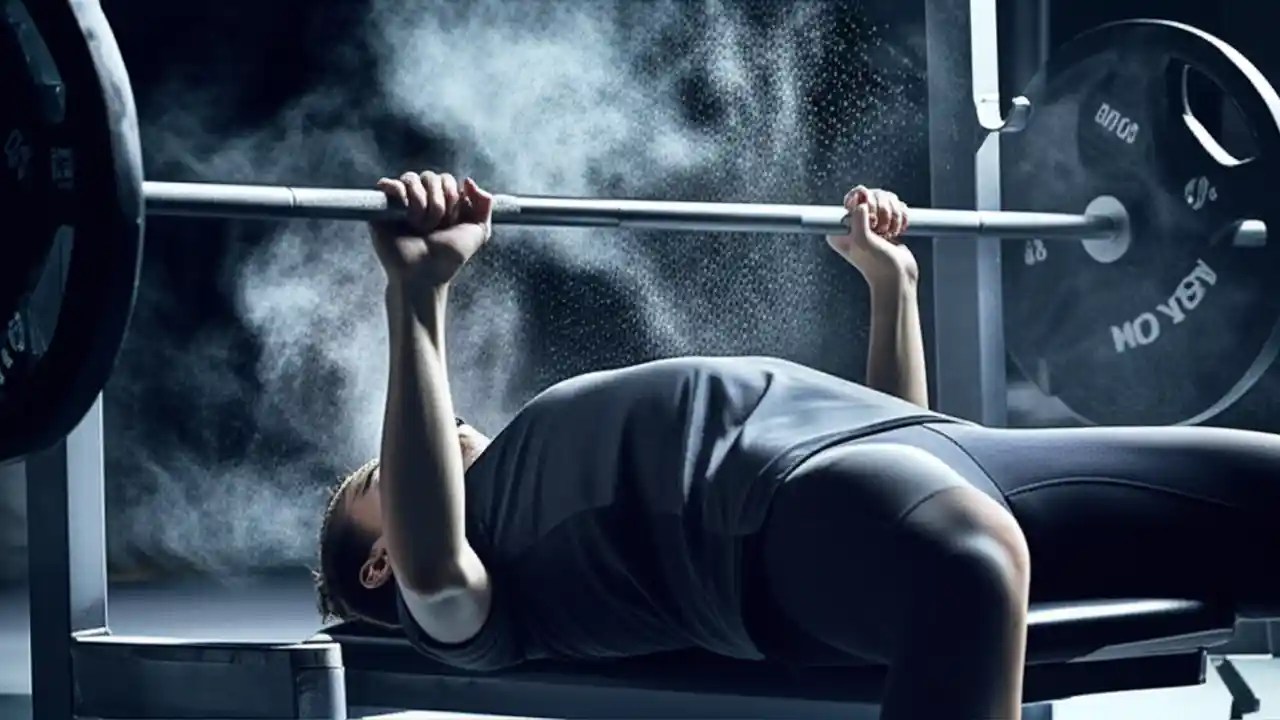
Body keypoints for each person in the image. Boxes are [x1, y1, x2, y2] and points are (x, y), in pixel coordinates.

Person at [315, 170, 1280, 720]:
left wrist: (889, 283)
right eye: (379, 479)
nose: (413, 445)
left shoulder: (530, 448)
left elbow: (876, 443)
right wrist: (419, 295)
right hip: (776, 528)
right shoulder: (466, 595)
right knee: (970, 561)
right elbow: (435, 571)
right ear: (380, 562)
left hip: (936, 451)